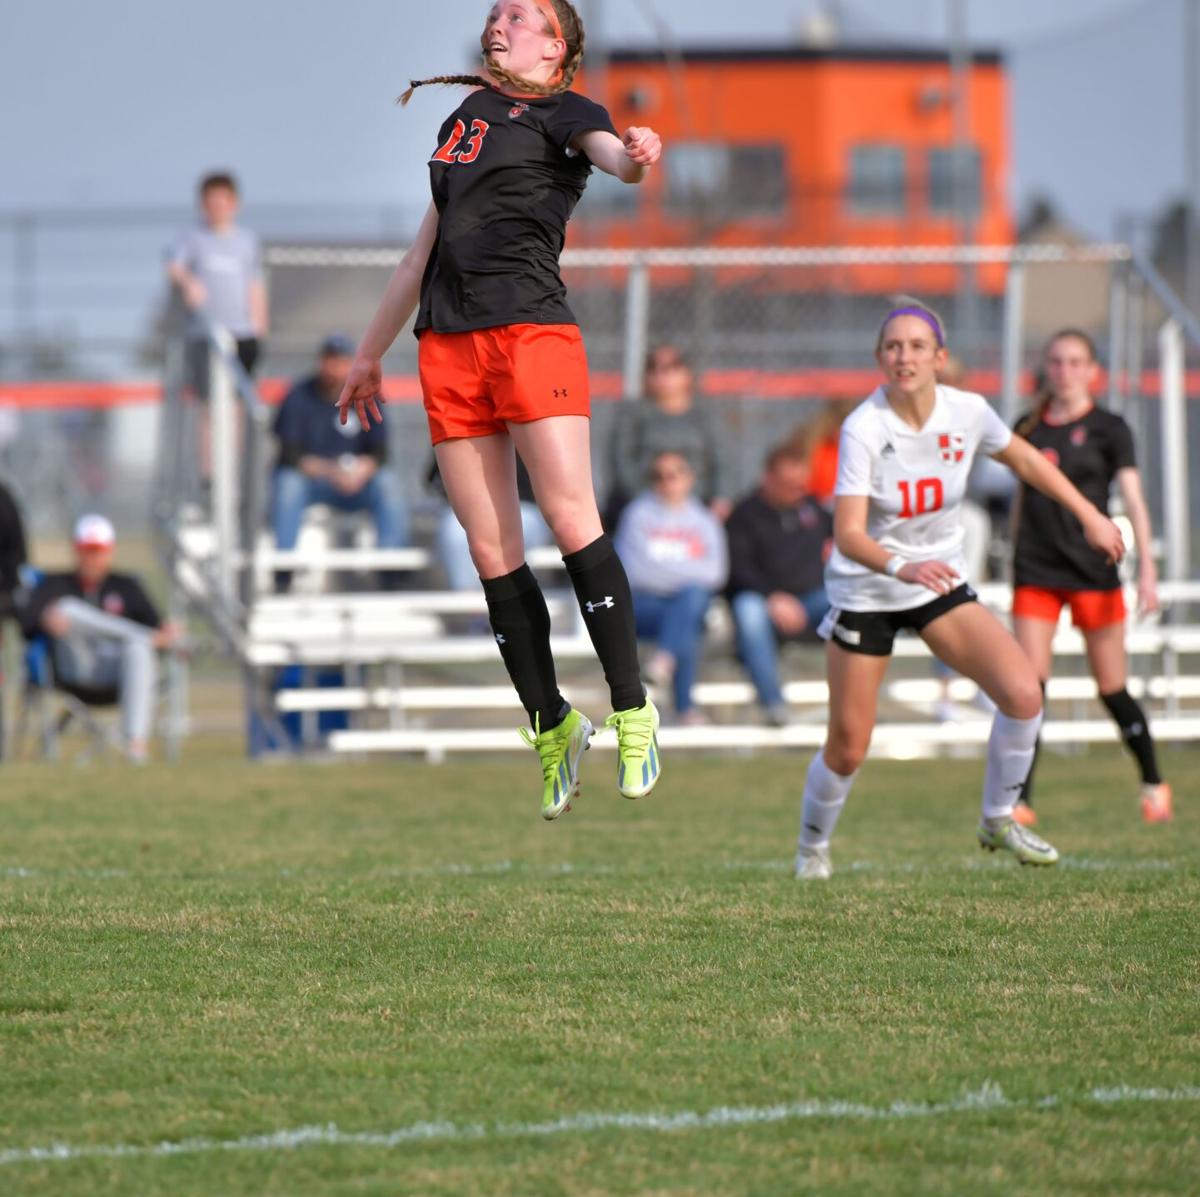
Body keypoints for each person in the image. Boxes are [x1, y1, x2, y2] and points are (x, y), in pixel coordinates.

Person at [336, 0, 664, 819]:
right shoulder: (465, 117)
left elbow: (616, 162)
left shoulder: (569, 112)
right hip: (447, 344)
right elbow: (422, 252)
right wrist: (370, 352)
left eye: (519, 16)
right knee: (490, 549)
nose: (500, 22)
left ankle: (633, 711)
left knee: (571, 516)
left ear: (556, 47)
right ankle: (554, 725)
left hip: (530, 333)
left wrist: (636, 154)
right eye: (496, 13)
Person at [793, 297, 1126, 880]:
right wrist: (902, 567)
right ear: (879, 358)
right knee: (847, 747)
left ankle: (998, 818)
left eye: (917, 346)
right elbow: (848, 535)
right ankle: (811, 848)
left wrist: (1090, 515)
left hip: (937, 583)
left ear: (939, 358)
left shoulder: (967, 411)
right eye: (893, 347)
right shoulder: (864, 427)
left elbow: (1028, 462)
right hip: (869, 592)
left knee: (1023, 694)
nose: (905, 356)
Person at [1011, 328, 1172, 825]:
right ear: (1046, 368)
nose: (1065, 371)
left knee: (1111, 687)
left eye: (1075, 362)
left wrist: (1147, 569)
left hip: (1092, 569)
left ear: (1092, 370)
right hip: (1036, 568)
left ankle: (1153, 783)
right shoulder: (1027, 426)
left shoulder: (1110, 428)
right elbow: (1019, 499)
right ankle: (1021, 800)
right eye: (1057, 361)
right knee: (1030, 688)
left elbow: (1134, 500)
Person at [21, 515, 183, 763]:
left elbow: (158, 628)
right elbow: (26, 625)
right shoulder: (55, 584)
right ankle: (139, 636)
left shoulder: (126, 586)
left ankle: (136, 747)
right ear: (76, 550)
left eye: (98, 550)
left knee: (139, 648)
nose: (92, 557)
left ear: (110, 551)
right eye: (86, 550)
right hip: (73, 670)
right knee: (66, 609)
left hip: (117, 673)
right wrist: (45, 620)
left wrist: (168, 632)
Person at [272, 334, 409, 592]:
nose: (334, 367)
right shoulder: (299, 395)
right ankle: (283, 569)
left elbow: (380, 453)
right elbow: (289, 455)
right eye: (329, 360)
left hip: (357, 483)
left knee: (387, 483)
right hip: (314, 482)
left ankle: (392, 570)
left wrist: (360, 471)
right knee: (288, 483)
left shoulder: (366, 394)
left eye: (341, 360)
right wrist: (332, 471)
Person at [614, 451, 728, 723]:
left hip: (684, 605)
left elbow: (716, 573)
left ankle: (663, 662)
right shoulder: (636, 515)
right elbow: (635, 573)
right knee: (687, 609)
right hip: (643, 605)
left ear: (689, 478)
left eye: (674, 474)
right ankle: (685, 708)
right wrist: (686, 576)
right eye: (658, 476)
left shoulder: (704, 520)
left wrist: (666, 574)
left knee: (689, 605)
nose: (666, 482)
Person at [166, 172, 267, 476]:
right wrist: (189, 282)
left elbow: (255, 285)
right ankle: (209, 475)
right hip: (206, 336)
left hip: (242, 333)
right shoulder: (192, 238)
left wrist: (259, 326)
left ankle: (232, 472)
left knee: (238, 406)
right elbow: (174, 267)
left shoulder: (247, 241)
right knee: (209, 406)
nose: (217, 209)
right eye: (211, 203)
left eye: (223, 202)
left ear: (234, 204)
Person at [725, 442, 833, 726]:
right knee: (748, 610)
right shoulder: (744, 515)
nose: (797, 491)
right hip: (764, 603)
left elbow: (845, 538)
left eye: (801, 484)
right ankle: (773, 705)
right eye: (789, 484)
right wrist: (773, 597)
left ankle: (854, 700)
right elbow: (737, 569)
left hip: (814, 601)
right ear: (768, 479)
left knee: (855, 602)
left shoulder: (814, 510)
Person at [605, 345, 733, 528]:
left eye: (671, 367)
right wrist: (654, 499)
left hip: (697, 506)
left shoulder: (705, 416)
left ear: (687, 373)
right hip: (642, 504)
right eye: (653, 367)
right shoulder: (633, 414)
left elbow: (722, 461)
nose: (661, 375)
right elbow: (622, 461)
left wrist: (719, 499)